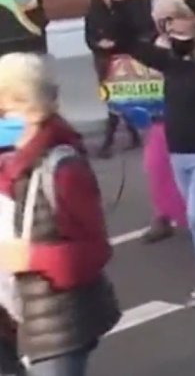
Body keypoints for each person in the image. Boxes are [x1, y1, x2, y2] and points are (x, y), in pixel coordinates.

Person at [109, 0, 195, 308]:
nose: (176, 34)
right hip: (180, 151)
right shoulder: (170, 63)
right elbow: (127, 42)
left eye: (182, 28)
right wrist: (118, 3)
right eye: (171, 30)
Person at [0, 53, 121, 374]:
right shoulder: (9, 156)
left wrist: (30, 258)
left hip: (56, 324)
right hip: (12, 316)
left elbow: (94, 252)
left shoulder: (63, 168)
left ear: (27, 106)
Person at [137, 0, 190, 245]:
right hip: (159, 116)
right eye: (160, 19)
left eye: (169, 18)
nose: (164, 24)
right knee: (155, 165)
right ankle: (162, 216)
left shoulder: (192, 43)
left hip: (187, 114)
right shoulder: (154, 44)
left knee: (189, 167)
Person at [84, 0, 142, 158]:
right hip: (104, 60)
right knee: (114, 98)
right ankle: (131, 135)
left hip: (121, 58)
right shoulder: (94, 11)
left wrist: (116, 42)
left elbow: (132, 32)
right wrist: (99, 44)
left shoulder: (123, 10)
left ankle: (108, 142)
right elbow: (89, 37)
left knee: (118, 98)